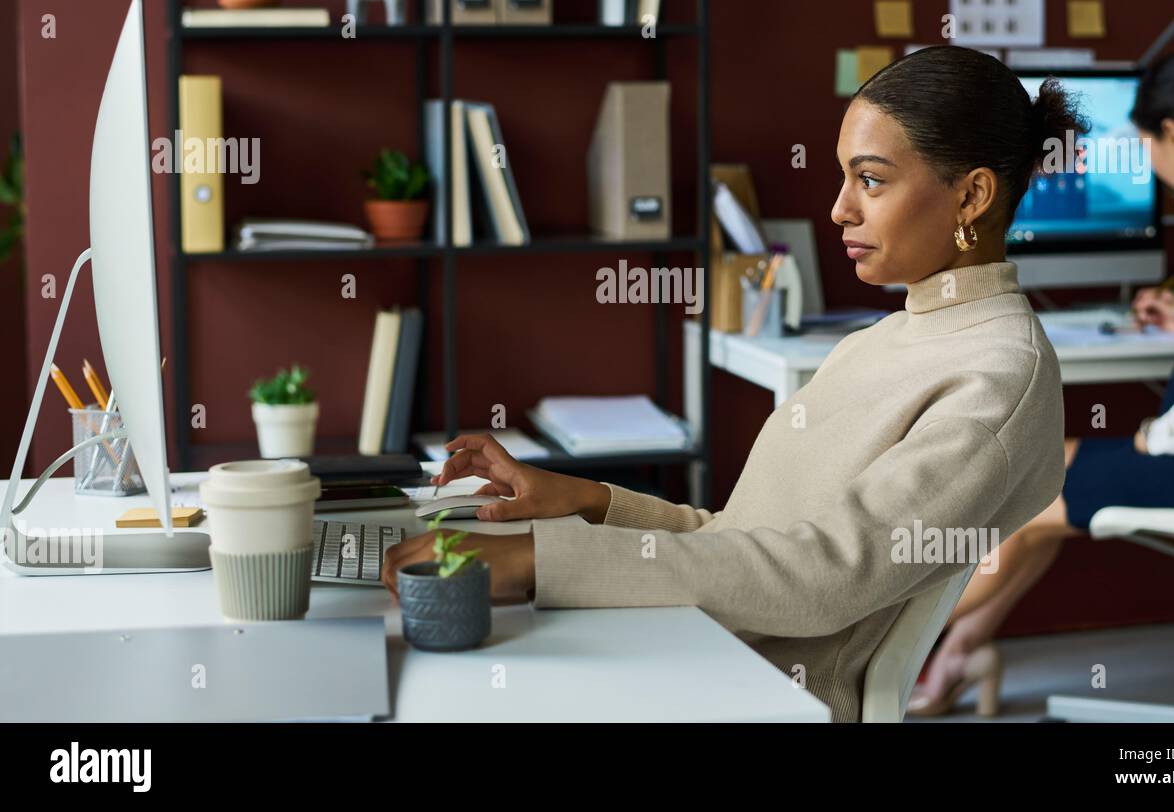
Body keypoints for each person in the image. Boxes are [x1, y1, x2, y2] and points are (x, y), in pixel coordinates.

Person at [382, 45, 1078, 723]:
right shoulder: (882, 339)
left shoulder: (994, 380)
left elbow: (818, 581)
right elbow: (741, 543)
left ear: (973, 196)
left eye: (870, 179)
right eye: (844, 178)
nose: (839, 209)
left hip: (751, 694)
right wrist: (589, 502)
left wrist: (539, 560)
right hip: (696, 653)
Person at [908, 52, 1174, 717]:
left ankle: (885, 644)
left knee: (1029, 494)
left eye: (1146, 146)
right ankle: (956, 658)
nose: (1149, 166)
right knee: (1038, 487)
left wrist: (1156, 435)